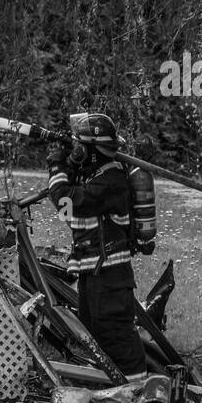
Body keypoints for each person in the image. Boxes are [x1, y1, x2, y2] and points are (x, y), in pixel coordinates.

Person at [46, 112, 149, 381]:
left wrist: (57, 168)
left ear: (91, 151)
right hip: (93, 272)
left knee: (116, 334)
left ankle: (139, 395)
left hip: (110, 274)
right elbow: (69, 212)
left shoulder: (111, 180)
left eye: (80, 147)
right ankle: (111, 389)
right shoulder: (94, 176)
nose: (77, 152)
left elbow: (65, 202)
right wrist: (68, 163)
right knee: (94, 333)